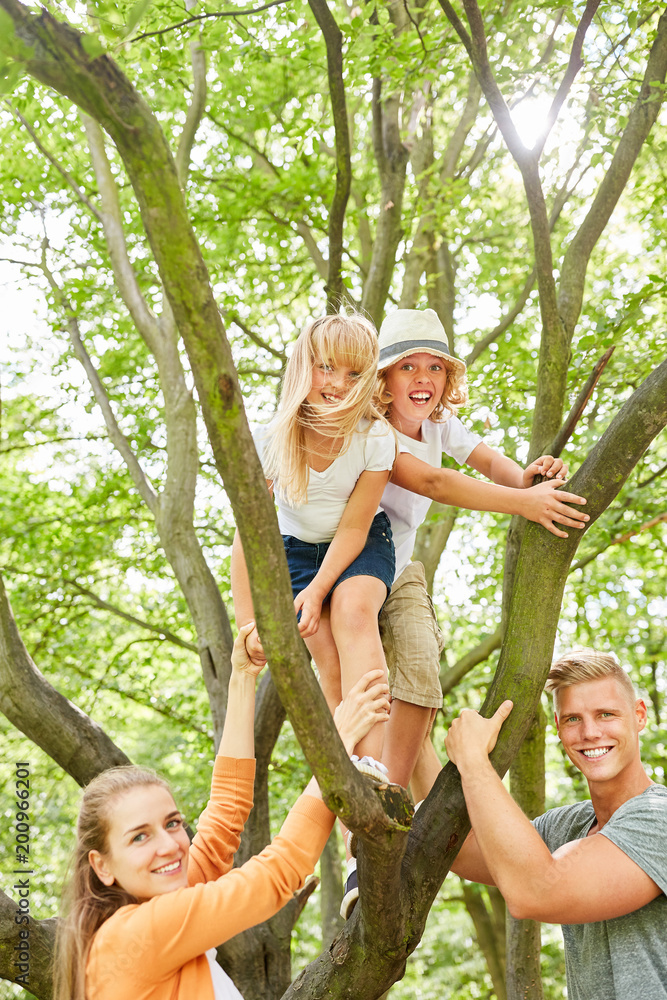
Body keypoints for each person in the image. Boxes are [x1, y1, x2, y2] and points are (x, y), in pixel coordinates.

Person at [53, 621, 391, 1000]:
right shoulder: (133, 935)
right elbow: (279, 872)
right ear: (102, 866)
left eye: (173, 823)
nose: (169, 845)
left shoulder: (154, 902)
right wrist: (335, 749)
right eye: (139, 837)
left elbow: (224, 816)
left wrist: (243, 675)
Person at [373, 308, 589, 793]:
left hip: (399, 570)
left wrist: (528, 480)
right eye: (407, 366)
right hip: (353, 566)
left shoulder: (439, 423)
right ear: (383, 378)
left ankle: (390, 797)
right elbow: (433, 481)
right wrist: (525, 504)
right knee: (369, 690)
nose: (423, 378)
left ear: (447, 379)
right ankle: (374, 795)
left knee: (421, 674)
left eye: (435, 367)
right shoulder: (372, 430)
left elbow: (487, 461)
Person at [444, 649, 667, 1000]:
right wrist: (418, 723)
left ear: (639, 715)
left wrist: (473, 761)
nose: (590, 732)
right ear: (559, 728)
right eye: (573, 719)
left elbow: (533, 892)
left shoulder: (658, 818)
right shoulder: (568, 825)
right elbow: (455, 847)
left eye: (606, 714)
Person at [231, 313, 396, 776]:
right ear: (303, 366)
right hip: (295, 552)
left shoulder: (374, 437)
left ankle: (372, 765)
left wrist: (320, 589)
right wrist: (248, 626)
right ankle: (342, 765)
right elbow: (247, 537)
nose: (338, 383)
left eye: (354, 374)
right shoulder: (269, 441)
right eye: (326, 367)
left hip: (361, 543)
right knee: (327, 658)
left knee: (352, 612)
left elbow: (354, 528)